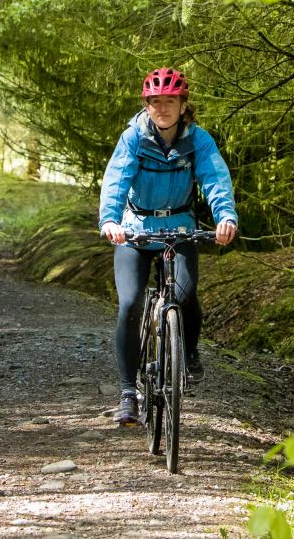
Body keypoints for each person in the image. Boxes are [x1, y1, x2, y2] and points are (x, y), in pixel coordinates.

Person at [98, 67, 239, 427]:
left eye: (170, 101)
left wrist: (225, 217)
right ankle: (129, 393)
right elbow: (117, 179)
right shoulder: (133, 138)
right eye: (156, 102)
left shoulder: (199, 140)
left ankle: (188, 351)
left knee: (185, 294)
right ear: (147, 105)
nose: (163, 108)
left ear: (182, 104)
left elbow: (215, 178)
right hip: (135, 231)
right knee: (130, 302)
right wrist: (110, 221)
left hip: (180, 229)